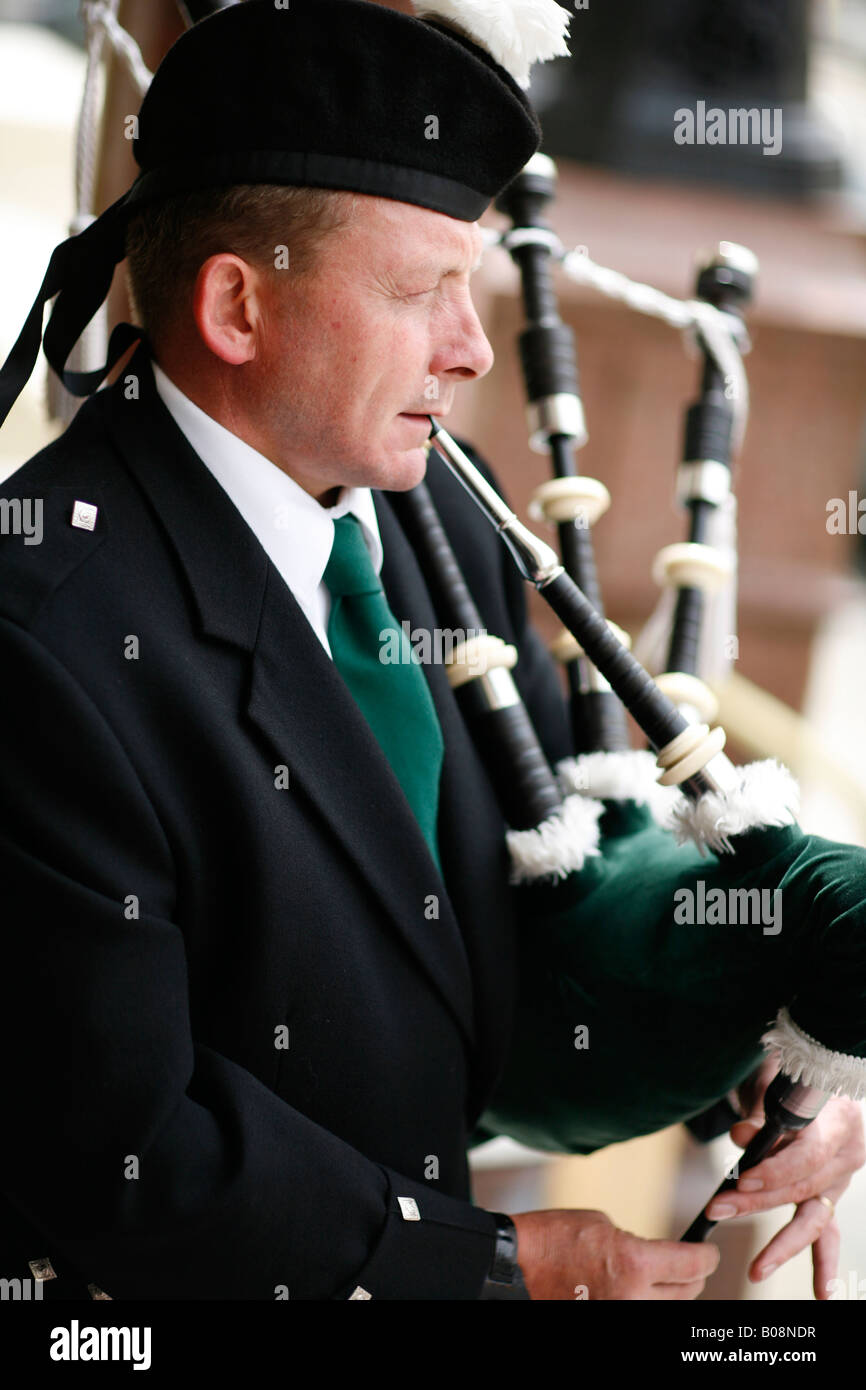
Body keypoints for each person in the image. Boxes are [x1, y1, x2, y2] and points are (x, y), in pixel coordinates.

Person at [0, 0, 861, 1301]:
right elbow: (123, 1153)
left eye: (471, 285)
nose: (469, 350)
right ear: (236, 304)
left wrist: (765, 1041)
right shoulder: (42, 637)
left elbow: (527, 892)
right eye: (418, 293)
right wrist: (497, 1262)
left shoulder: (419, 500)